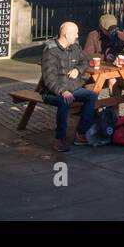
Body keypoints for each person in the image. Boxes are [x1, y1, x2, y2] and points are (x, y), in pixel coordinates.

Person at [38, 20, 98, 152]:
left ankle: (80, 134)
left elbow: (85, 61)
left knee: (92, 96)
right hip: (52, 92)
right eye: (75, 33)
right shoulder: (51, 51)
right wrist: (62, 91)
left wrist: (78, 70)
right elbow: (49, 78)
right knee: (65, 100)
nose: (77, 36)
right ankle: (60, 138)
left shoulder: (75, 46)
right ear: (66, 35)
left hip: (73, 87)